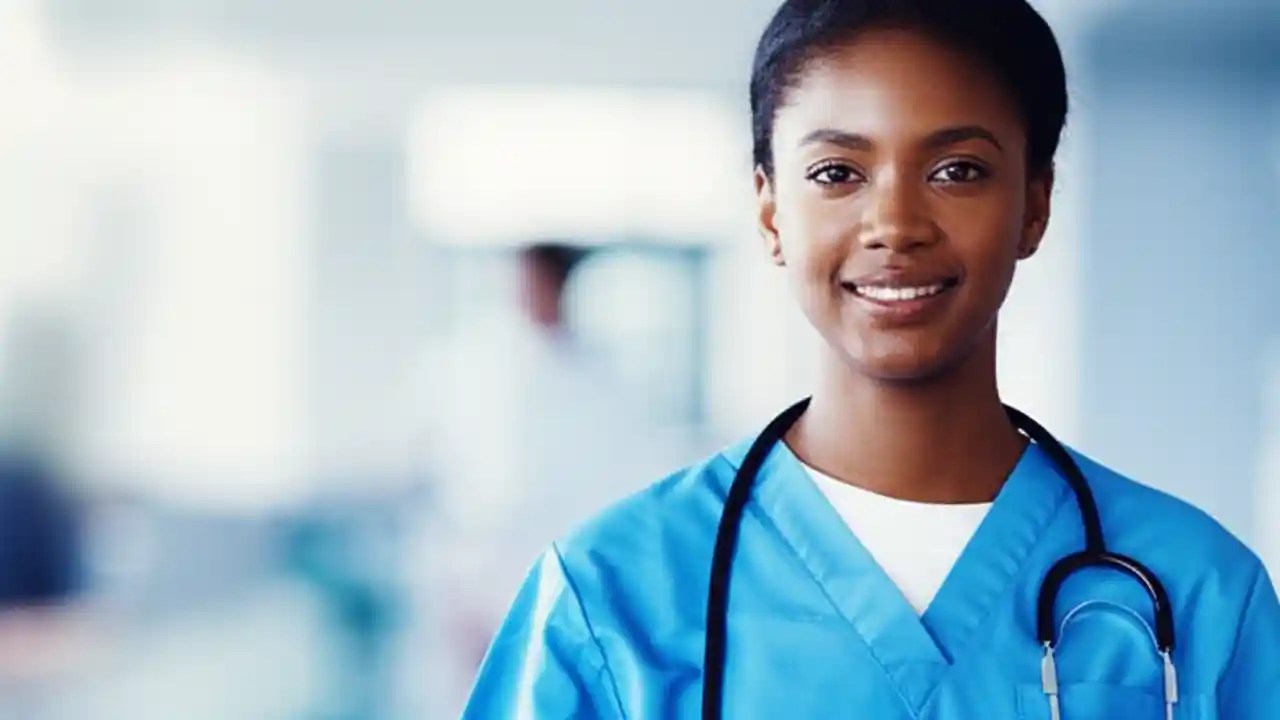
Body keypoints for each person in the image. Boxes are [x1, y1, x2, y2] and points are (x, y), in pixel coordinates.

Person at [459, 1, 1280, 717]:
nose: (896, 224)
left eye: (958, 170)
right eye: (836, 172)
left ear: (1035, 205)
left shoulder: (1197, 591)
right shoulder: (612, 598)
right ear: (771, 211)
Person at [415, 241, 689, 716]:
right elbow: (451, 474)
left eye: (535, 281)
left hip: (562, 568)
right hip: (482, 566)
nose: (524, 293)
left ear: (559, 285)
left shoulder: (600, 376)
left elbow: (625, 475)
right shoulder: (477, 367)